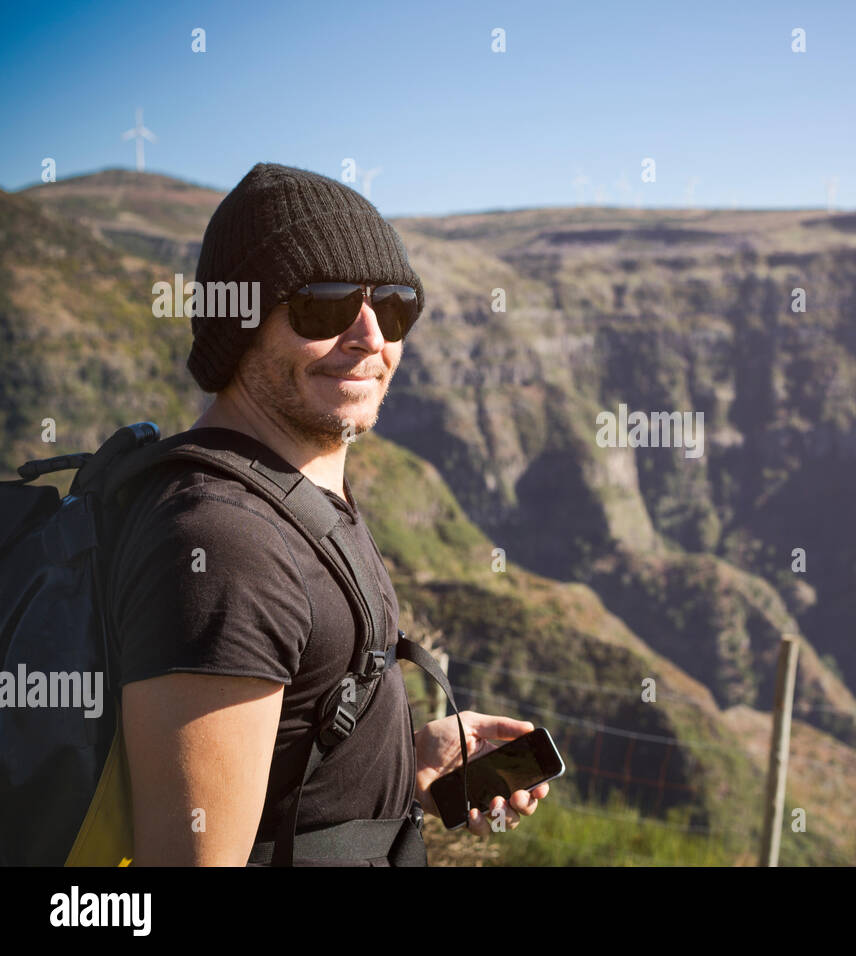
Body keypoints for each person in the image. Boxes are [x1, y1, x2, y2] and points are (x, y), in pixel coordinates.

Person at [108, 162, 547, 865]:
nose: (371, 336)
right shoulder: (223, 543)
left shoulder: (296, 494)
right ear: (239, 325)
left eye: (395, 306)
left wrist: (407, 760)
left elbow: (284, 768)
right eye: (324, 305)